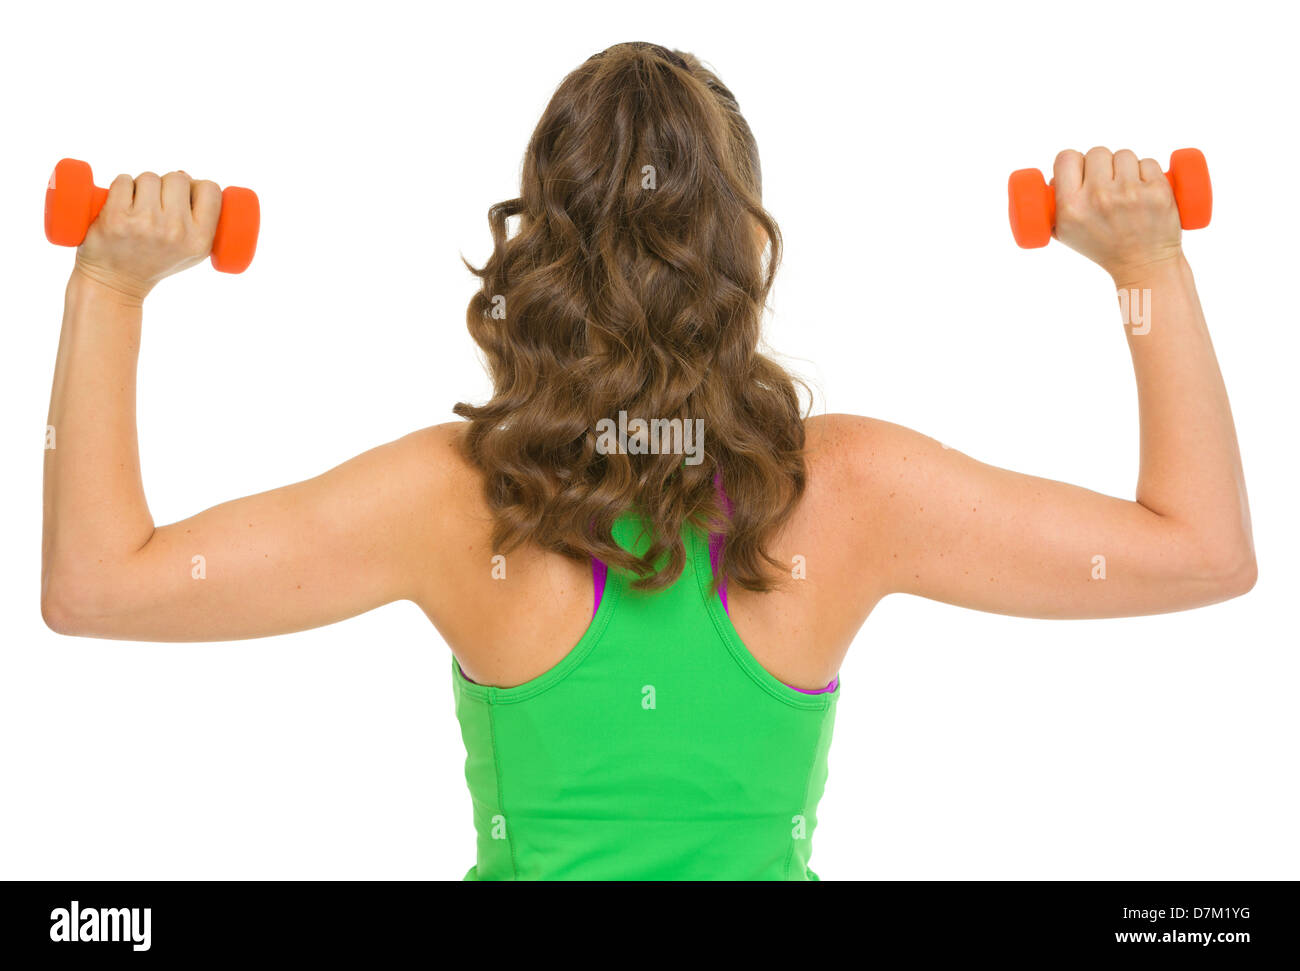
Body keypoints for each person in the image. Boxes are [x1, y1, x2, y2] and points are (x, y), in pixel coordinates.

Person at [41, 42, 1255, 880]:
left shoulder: (450, 500)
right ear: (744, 254)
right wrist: (1146, 264)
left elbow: (99, 584)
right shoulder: (854, 492)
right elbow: (1199, 552)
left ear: (537, 247)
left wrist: (110, 282)